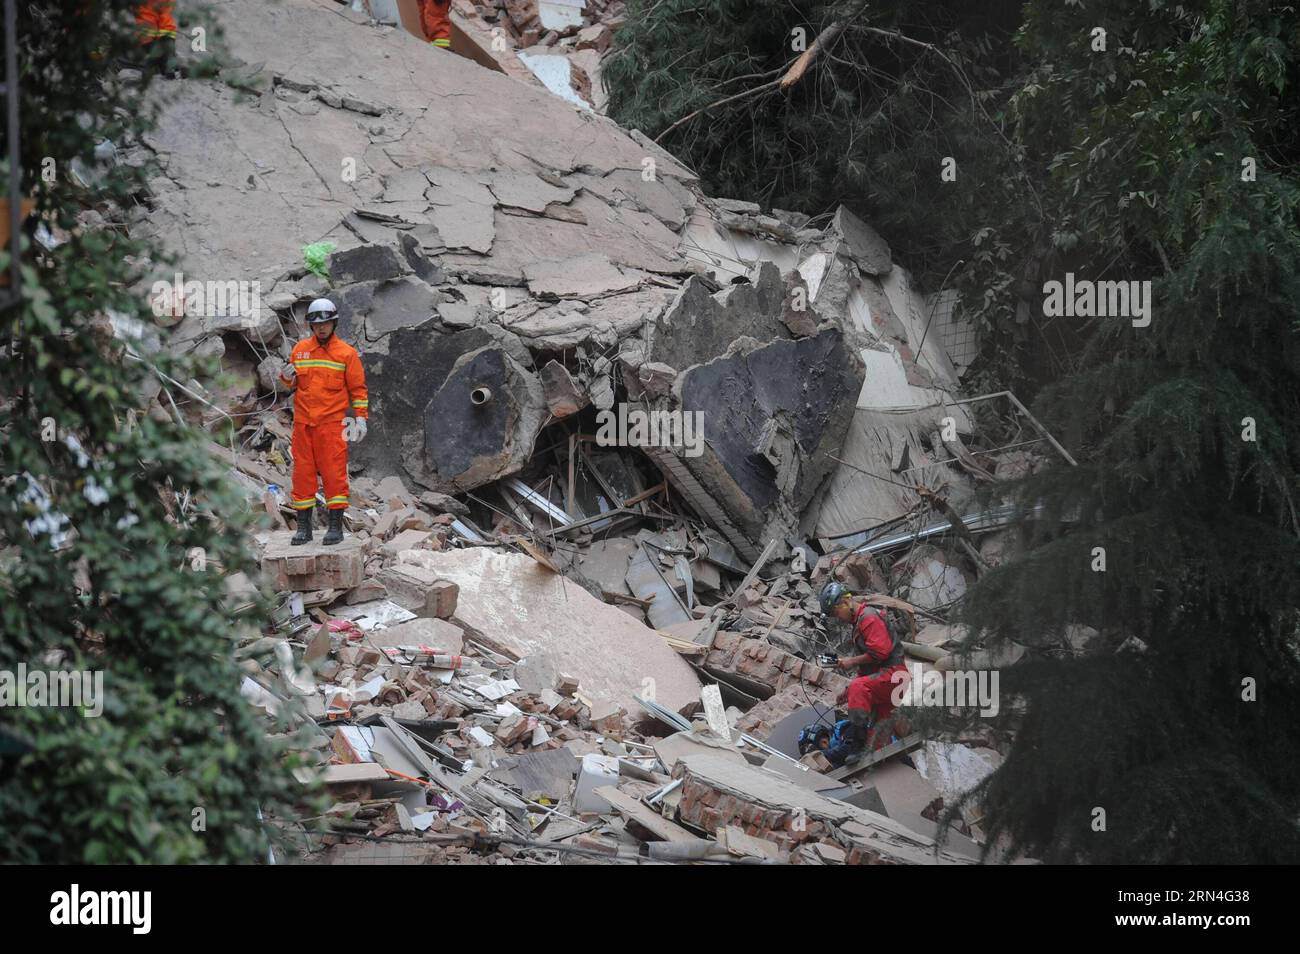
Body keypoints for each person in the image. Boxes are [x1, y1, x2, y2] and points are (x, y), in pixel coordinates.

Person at [279, 299, 369, 546]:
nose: (321, 328)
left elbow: (358, 390)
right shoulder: (300, 350)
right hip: (303, 425)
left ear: (334, 323)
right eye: (316, 324)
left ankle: (335, 528)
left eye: (326, 323)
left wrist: (360, 418)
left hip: (332, 426)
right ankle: (304, 529)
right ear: (310, 325)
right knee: (303, 475)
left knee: (334, 475)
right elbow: (294, 382)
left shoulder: (346, 354)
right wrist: (287, 378)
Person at [817, 581, 910, 762]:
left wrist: (850, 662)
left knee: (859, 687)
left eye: (837, 613)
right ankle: (905, 767)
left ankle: (856, 742)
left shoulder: (868, 618)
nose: (839, 618)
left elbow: (880, 652)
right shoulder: (860, 623)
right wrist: (848, 690)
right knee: (878, 739)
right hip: (886, 678)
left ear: (846, 601)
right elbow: (868, 669)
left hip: (894, 674)